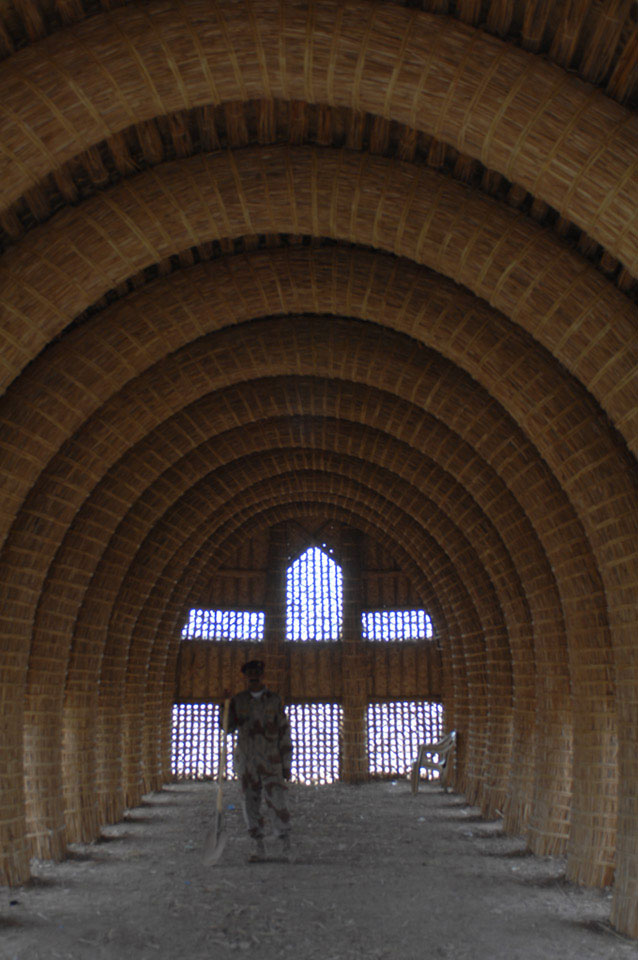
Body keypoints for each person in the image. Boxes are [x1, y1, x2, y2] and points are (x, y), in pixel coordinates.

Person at [224, 659, 292, 861]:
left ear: (262, 675)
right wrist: (225, 706)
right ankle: (257, 845)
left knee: (277, 800)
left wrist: (286, 763)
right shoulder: (239, 701)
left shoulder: (274, 700)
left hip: (271, 760)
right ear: (245, 677)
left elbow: (284, 732)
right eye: (249, 674)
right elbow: (227, 728)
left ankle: (284, 845)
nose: (253, 677)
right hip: (247, 761)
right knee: (249, 802)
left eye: (257, 674)